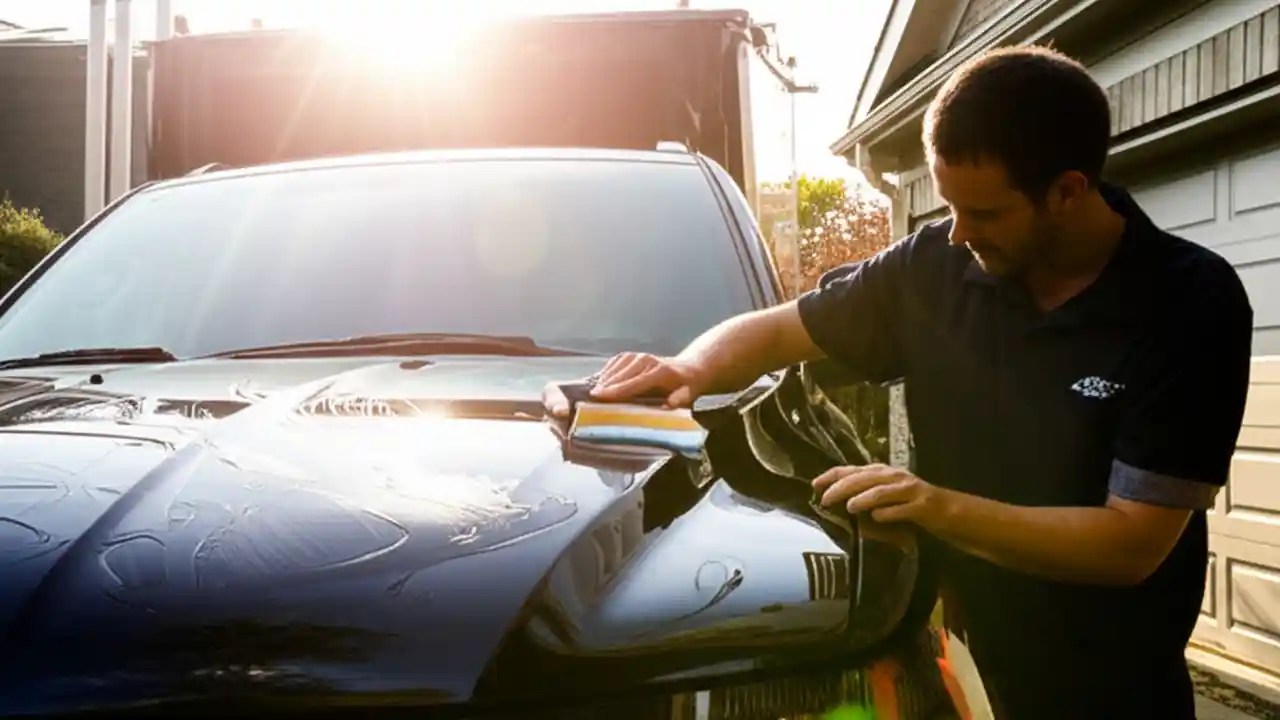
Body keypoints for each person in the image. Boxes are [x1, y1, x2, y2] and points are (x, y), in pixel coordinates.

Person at [544, 45, 1253, 718]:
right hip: (958, 669)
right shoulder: (934, 268)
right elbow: (779, 331)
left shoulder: (1189, 303)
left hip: (1109, 685)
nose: (958, 234)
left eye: (983, 212)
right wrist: (689, 369)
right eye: (948, 207)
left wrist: (934, 506)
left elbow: (1130, 545)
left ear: (1067, 192)